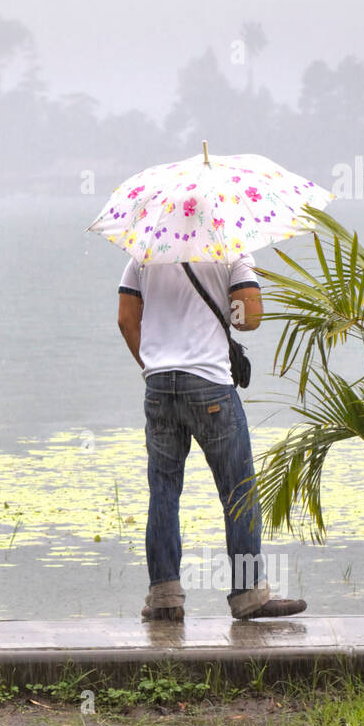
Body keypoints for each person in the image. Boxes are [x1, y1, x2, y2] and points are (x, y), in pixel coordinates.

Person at [116, 254, 306, 621]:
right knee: (239, 491)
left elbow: (126, 318)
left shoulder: (143, 253)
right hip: (211, 386)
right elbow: (248, 319)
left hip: (159, 386)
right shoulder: (230, 249)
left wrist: (155, 364)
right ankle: (249, 596)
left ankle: (164, 598)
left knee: (164, 490)